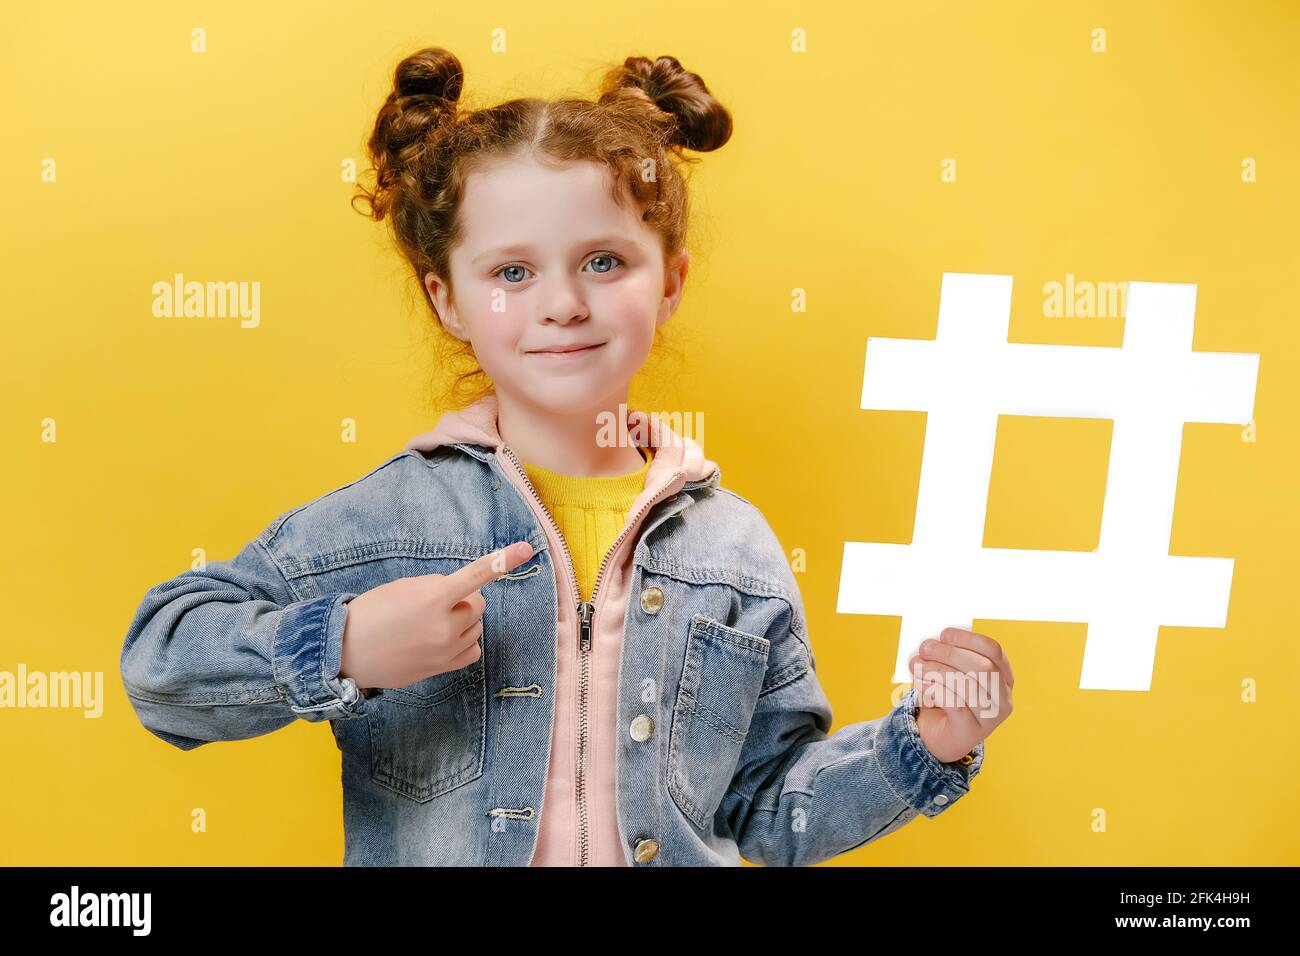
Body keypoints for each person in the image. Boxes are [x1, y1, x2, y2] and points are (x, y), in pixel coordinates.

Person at [119, 46, 1013, 866]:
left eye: (602, 261)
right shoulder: (385, 523)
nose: (562, 305)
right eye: (512, 272)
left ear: (669, 283)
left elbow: (772, 810)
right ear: (448, 301)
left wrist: (928, 742)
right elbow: (162, 669)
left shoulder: (734, 550)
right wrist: (345, 645)